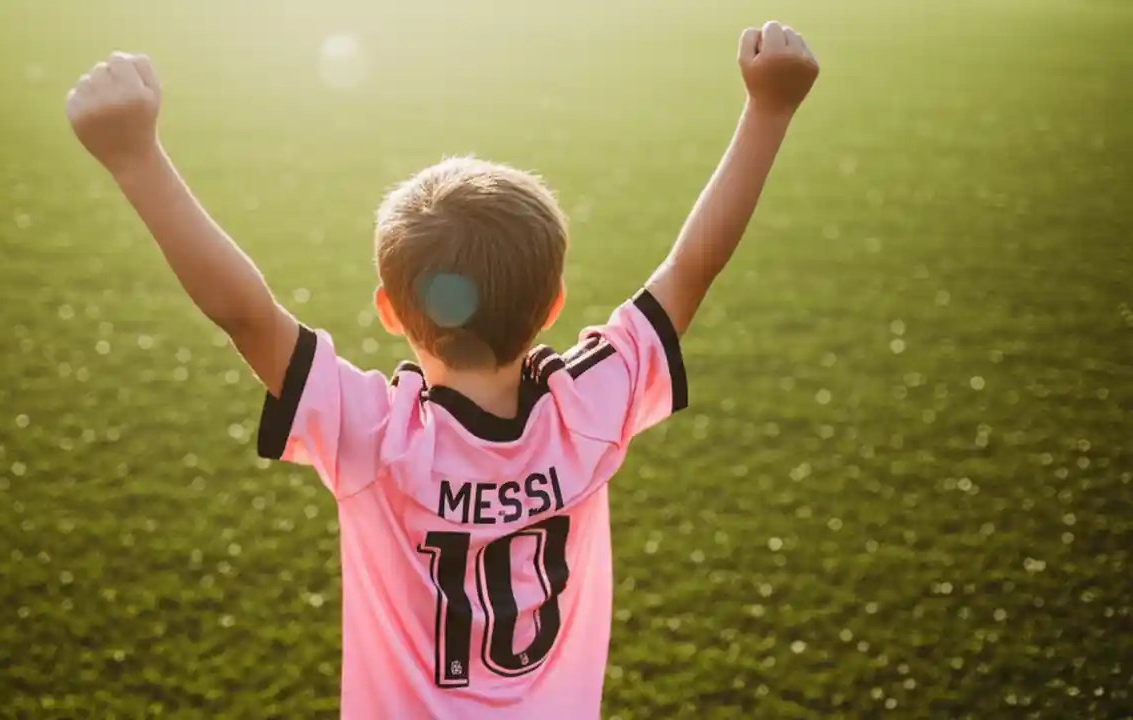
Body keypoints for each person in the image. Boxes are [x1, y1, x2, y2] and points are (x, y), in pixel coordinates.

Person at [65, 20, 817, 719]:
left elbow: (247, 316)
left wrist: (136, 156)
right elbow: (691, 271)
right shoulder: (589, 408)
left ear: (390, 311)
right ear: (551, 303)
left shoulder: (375, 439)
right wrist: (769, 112)